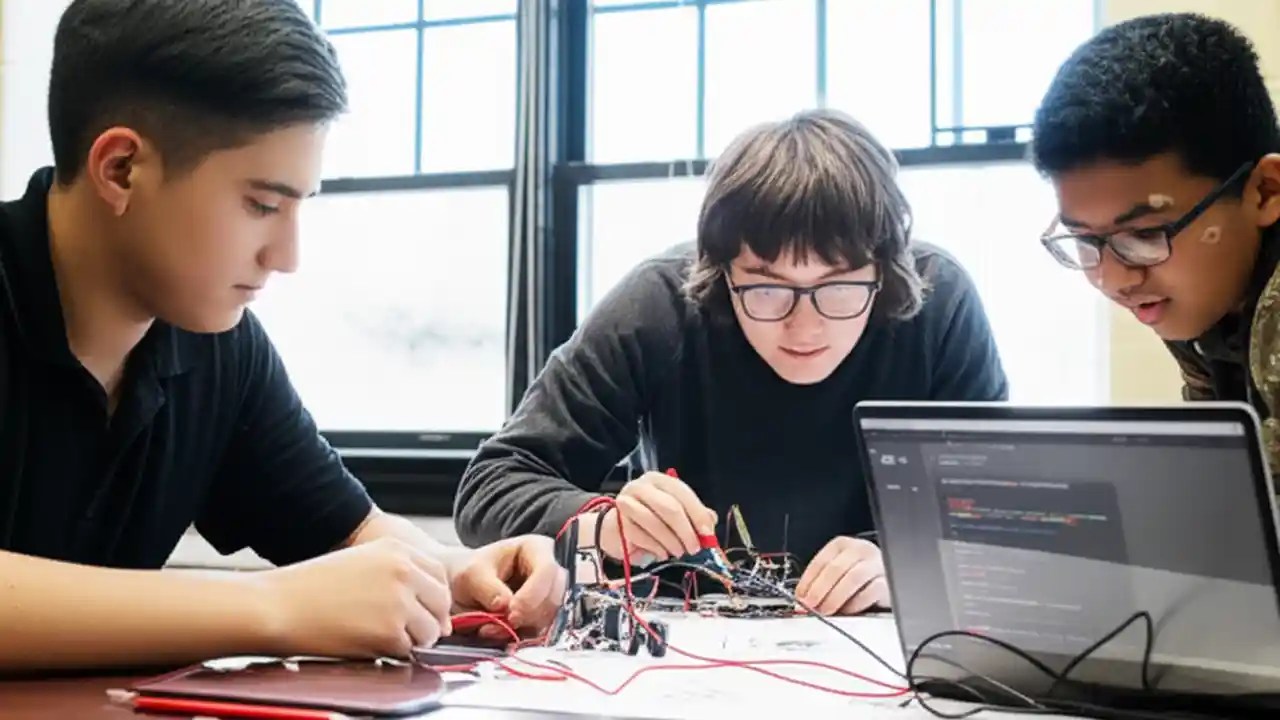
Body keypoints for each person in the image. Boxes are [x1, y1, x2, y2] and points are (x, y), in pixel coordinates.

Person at [0, 0, 564, 673]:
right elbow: (296, 598)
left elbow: (346, 533)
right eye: (262, 205)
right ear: (121, 168)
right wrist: (271, 607)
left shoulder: (218, 343)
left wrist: (453, 572)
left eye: (301, 205)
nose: (288, 255)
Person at [454, 108, 1009, 616]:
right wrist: (605, 523)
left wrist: (913, 566)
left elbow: (1002, 511)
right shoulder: (659, 304)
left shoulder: (940, 305)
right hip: (690, 646)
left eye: (838, 287)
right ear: (722, 273)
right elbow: (490, 487)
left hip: (882, 648)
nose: (805, 327)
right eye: (768, 289)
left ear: (884, 269)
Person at [1032, 13, 1280, 468]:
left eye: (1144, 234)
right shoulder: (1205, 297)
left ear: (1266, 191)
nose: (1113, 278)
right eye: (1083, 240)